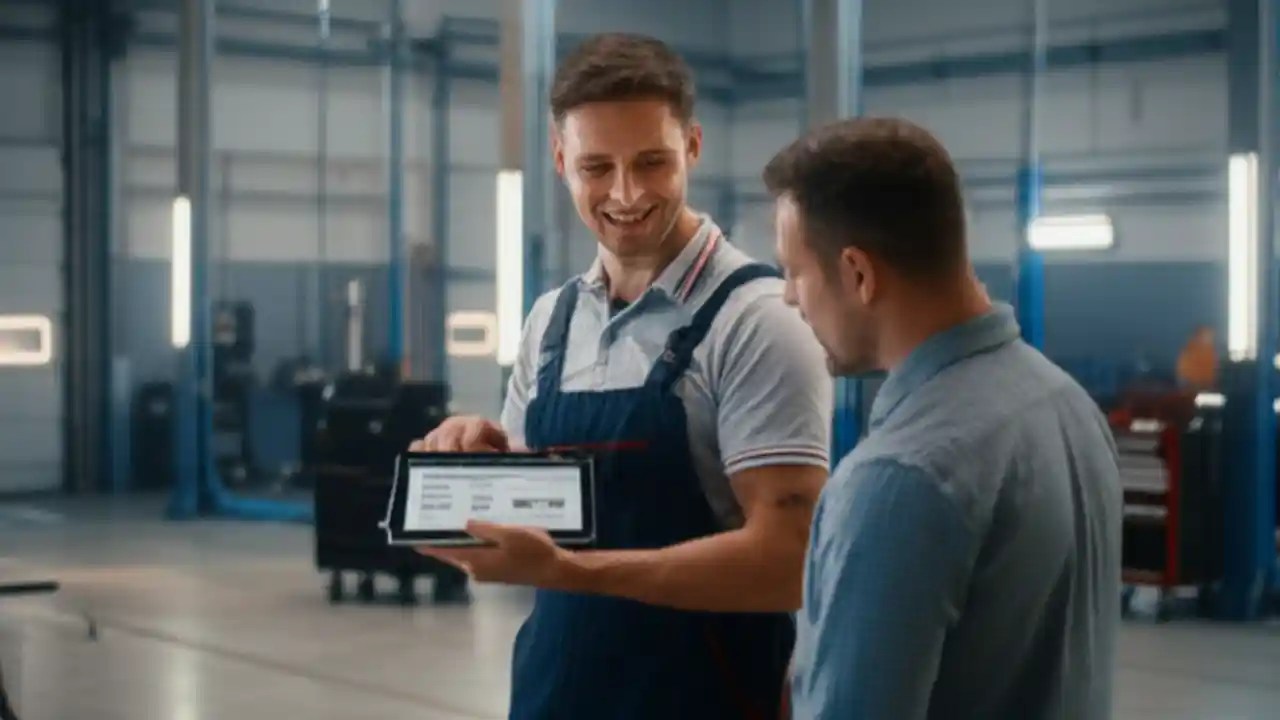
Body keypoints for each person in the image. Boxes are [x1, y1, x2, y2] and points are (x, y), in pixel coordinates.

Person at [411, 33, 832, 720]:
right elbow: (537, 514)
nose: (626, 193)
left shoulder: (757, 321)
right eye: (596, 167)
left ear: (693, 147)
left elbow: (790, 558)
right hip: (556, 693)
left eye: (652, 162)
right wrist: (479, 453)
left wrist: (571, 573)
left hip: (704, 699)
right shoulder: (550, 321)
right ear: (559, 161)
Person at [765, 117, 1123, 719]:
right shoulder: (1066, 403)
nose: (788, 296)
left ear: (858, 274)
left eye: (794, 270)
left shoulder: (898, 477)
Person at [1176, 324, 1217, 390]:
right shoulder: (1189, 350)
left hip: (1205, 388)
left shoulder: (1211, 352)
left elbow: (1212, 375)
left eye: (1209, 336)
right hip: (1191, 387)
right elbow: (1183, 376)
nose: (1208, 338)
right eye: (1206, 336)